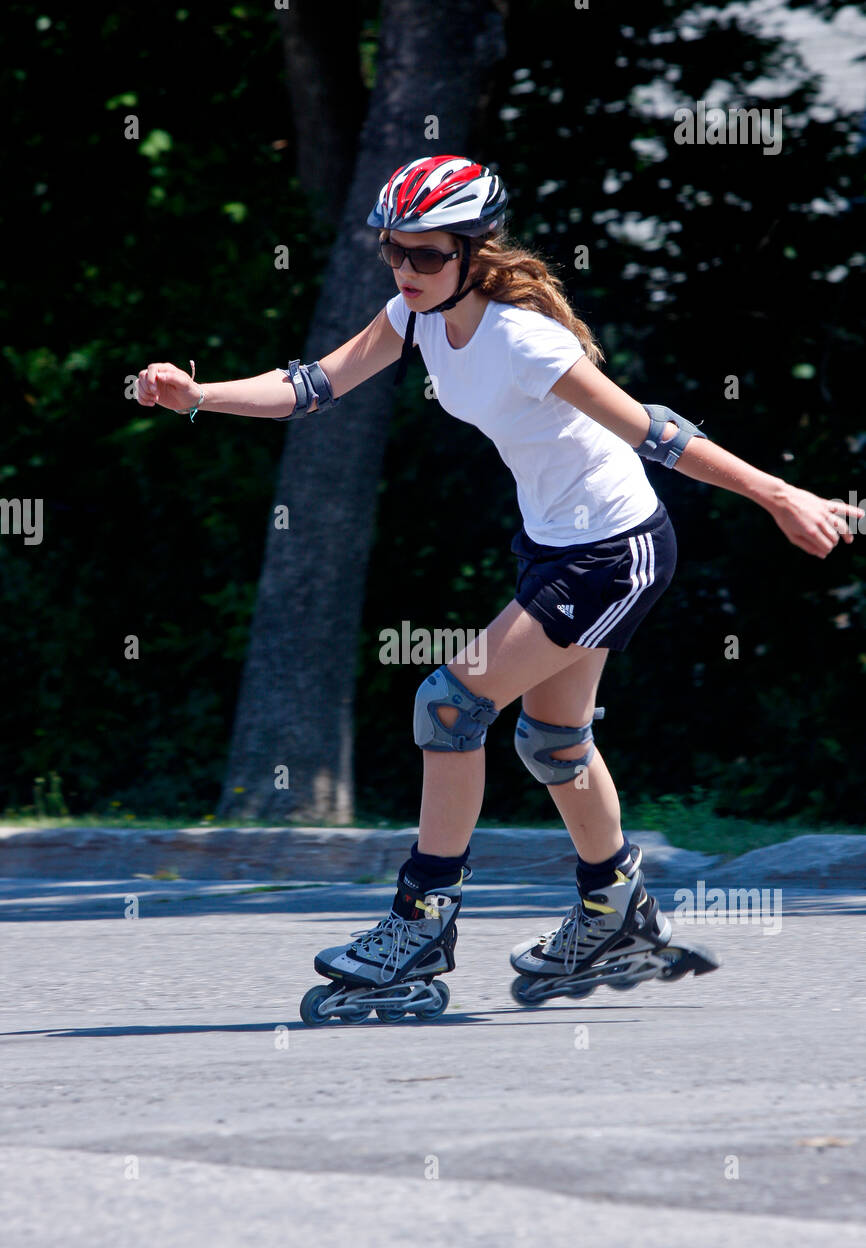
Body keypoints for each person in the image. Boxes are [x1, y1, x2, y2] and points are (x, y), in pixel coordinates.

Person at [135, 154, 862, 1025]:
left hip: (613, 550)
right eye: (393, 252)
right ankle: (615, 914)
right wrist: (195, 395)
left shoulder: (526, 340)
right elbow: (311, 387)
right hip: (558, 545)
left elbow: (656, 432)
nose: (406, 270)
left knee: (447, 705)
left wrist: (780, 495)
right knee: (552, 743)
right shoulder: (415, 317)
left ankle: (421, 922)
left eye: (427, 256)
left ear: (475, 254)